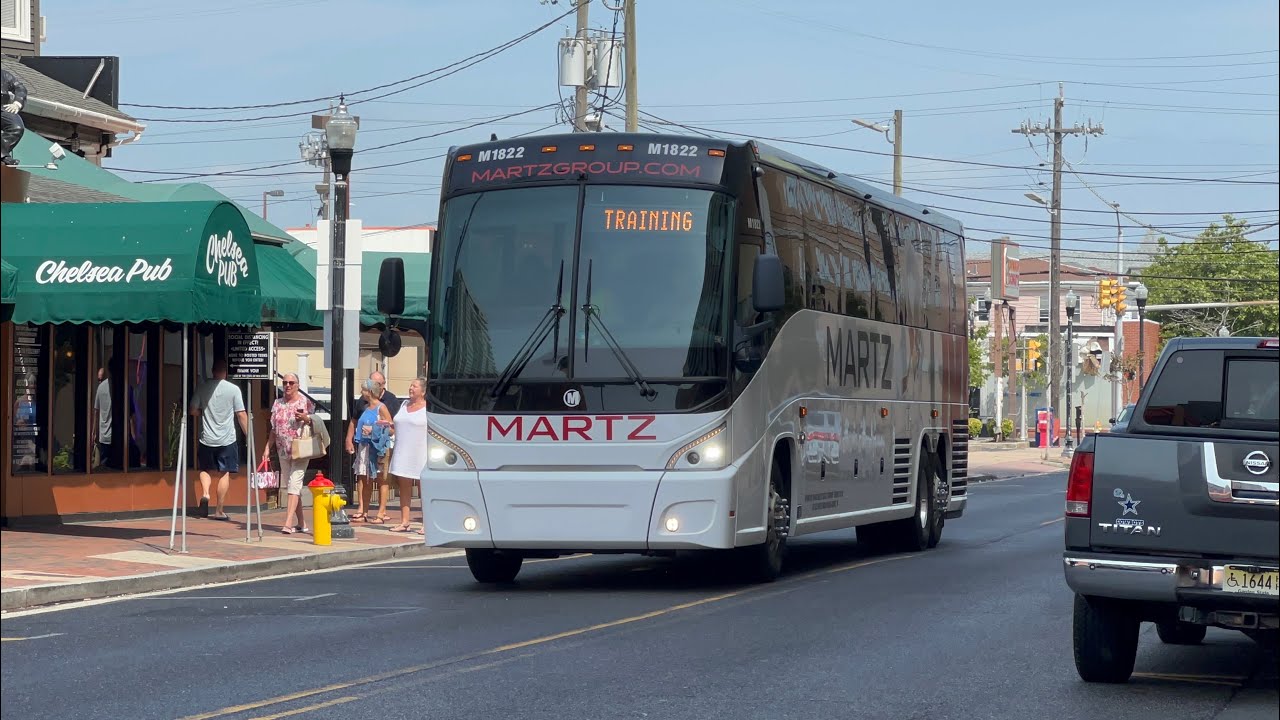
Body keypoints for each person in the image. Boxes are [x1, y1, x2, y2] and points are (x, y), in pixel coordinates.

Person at [191, 358, 248, 520]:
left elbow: (193, 410)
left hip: (206, 438)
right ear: (226, 372)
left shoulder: (202, 387)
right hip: (227, 440)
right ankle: (219, 510)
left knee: (205, 469)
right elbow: (241, 414)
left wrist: (205, 414)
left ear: (212, 370)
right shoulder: (234, 389)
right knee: (224, 473)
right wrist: (248, 436)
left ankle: (206, 494)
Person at [262, 373, 315, 534]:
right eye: (285, 382)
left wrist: (305, 418)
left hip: (301, 450)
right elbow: (273, 429)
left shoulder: (305, 402)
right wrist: (267, 448)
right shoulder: (278, 404)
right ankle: (302, 523)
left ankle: (287, 522)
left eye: (291, 382)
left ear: (297, 385)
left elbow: (314, 423)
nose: (287, 385)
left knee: (294, 484)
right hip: (282, 450)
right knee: (292, 486)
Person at [346, 370, 399, 521]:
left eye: (363, 390)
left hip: (378, 447)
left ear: (369, 391)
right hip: (364, 446)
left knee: (382, 478)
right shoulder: (365, 406)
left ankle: (381, 512)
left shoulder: (382, 407)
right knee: (364, 478)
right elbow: (354, 421)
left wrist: (374, 429)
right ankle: (364, 511)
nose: (361, 392)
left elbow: (391, 428)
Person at [388, 377, 429, 533]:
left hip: (420, 452)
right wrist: (388, 426)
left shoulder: (428, 408)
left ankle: (427, 523)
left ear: (423, 391)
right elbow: (397, 425)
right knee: (403, 487)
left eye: (415, 386)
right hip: (402, 450)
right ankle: (404, 521)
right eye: (410, 385)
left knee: (422, 488)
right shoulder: (404, 404)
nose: (411, 388)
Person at [1, 67, 27, 167]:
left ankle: (3, 154)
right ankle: (3, 156)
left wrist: (17, 103)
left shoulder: (4, 75)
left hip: (2, 107)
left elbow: (20, 87)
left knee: (17, 127)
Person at [91, 366, 114, 469]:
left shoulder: (100, 388)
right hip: (109, 436)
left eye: (100, 379)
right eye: (98, 379)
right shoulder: (117, 386)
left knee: (104, 468)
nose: (99, 382)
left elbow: (96, 411)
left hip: (105, 436)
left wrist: (94, 432)